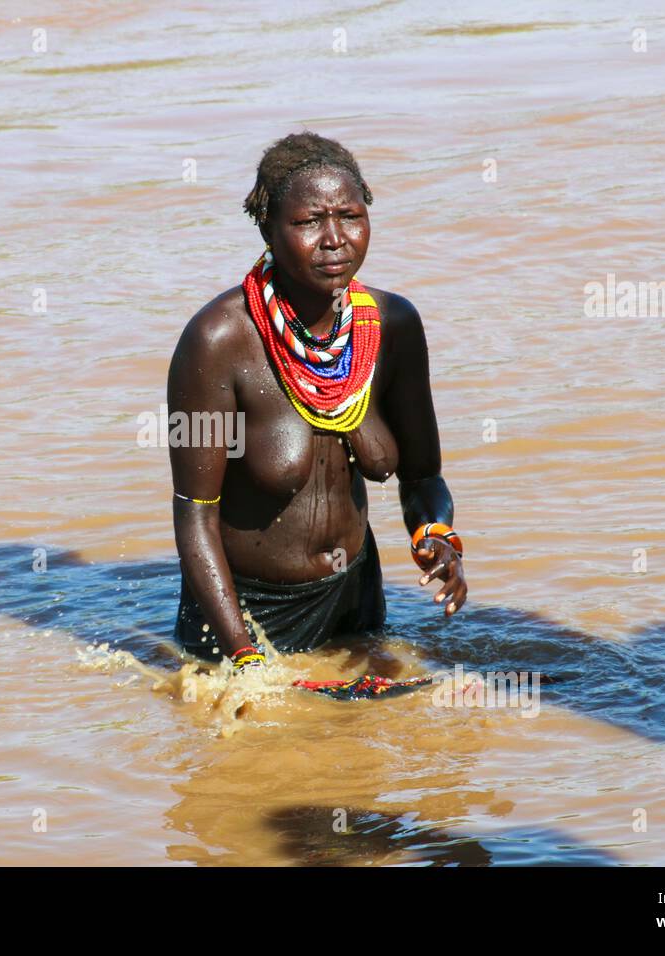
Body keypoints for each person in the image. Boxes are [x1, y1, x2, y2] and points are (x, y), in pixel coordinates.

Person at [167, 130, 467, 675]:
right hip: (248, 620)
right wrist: (245, 658)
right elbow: (194, 517)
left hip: (357, 603)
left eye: (349, 216)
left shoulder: (393, 325)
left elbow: (422, 478)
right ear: (267, 228)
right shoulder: (214, 341)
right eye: (308, 222)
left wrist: (436, 533)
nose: (334, 239)